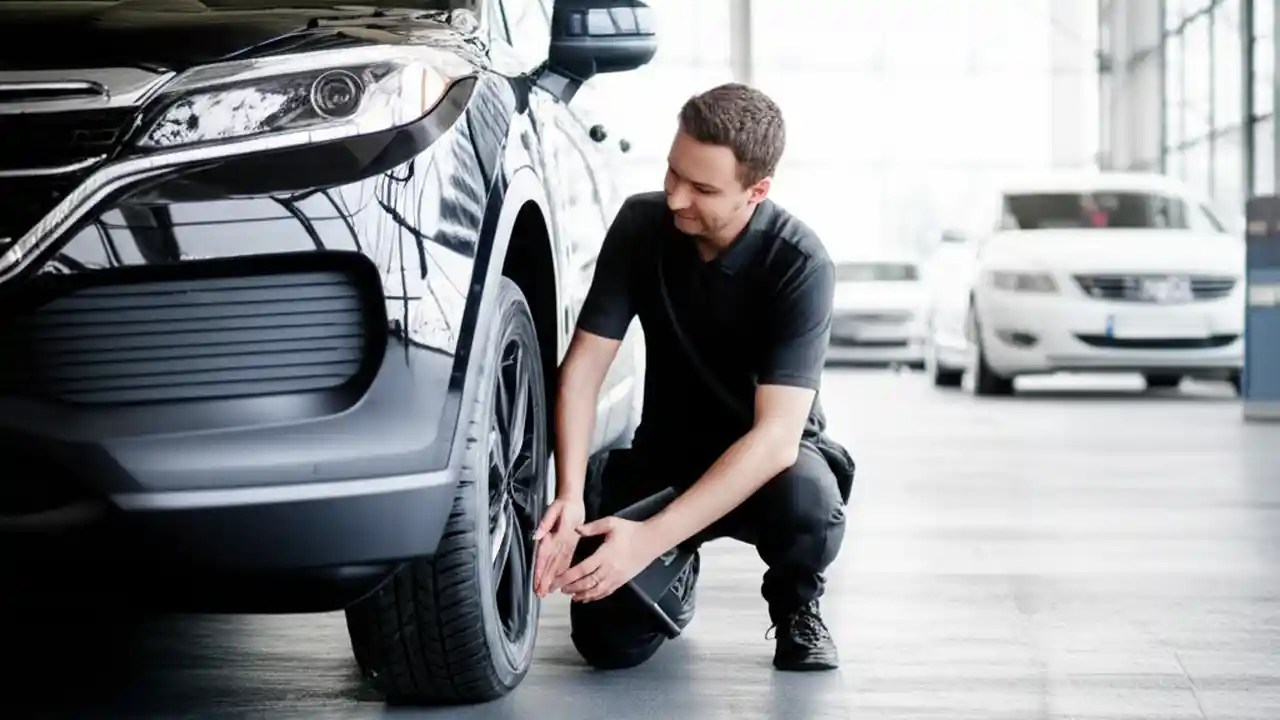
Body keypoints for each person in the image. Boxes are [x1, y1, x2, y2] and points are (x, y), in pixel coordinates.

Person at [531, 82, 848, 672]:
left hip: (763, 467)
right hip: (664, 458)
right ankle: (677, 555)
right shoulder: (641, 224)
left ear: (757, 191)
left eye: (702, 189)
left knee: (810, 498)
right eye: (672, 172)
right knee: (607, 646)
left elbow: (775, 438)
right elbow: (581, 371)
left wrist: (645, 541)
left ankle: (797, 608)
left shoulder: (800, 263)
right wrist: (570, 495)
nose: (676, 198)